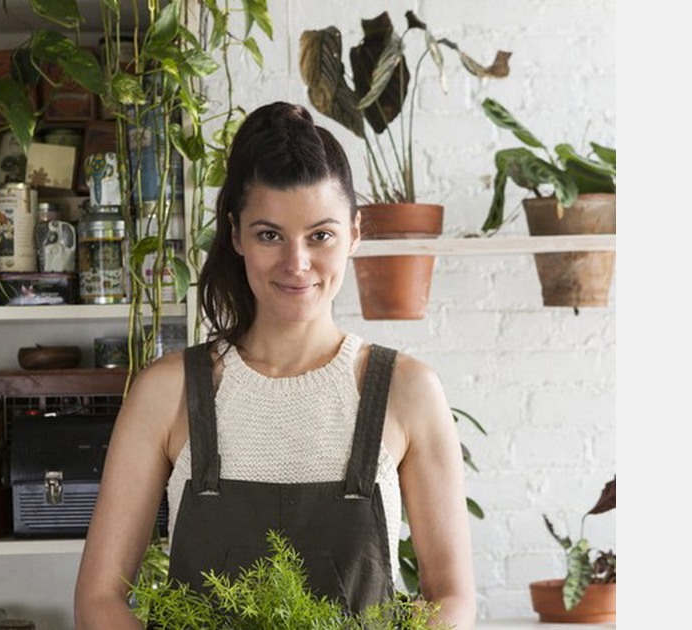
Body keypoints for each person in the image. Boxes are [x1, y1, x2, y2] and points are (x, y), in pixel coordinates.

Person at [73, 101, 475, 628]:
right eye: (270, 235)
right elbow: (99, 597)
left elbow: (452, 598)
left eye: (320, 235)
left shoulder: (408, 391)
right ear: (236, 234)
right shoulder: (166, 392)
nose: (296, 263)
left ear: (355, 233)